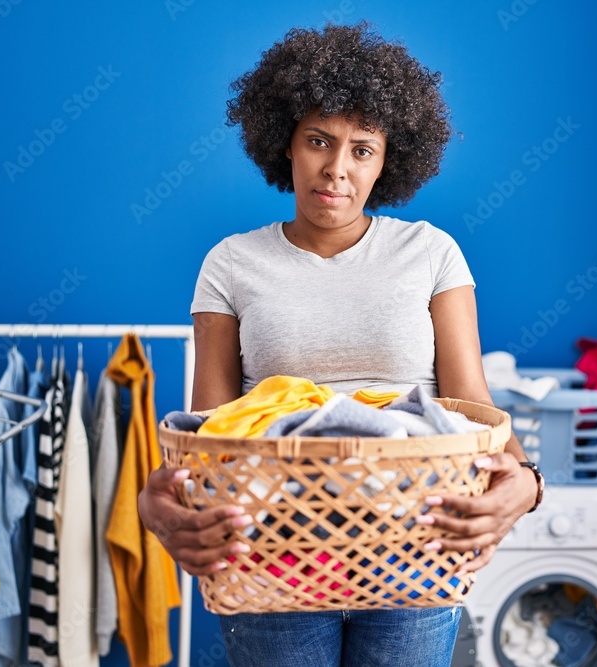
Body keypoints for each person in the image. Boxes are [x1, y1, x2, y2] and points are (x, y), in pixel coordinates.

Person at [137, 21, 541, 667]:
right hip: (270, 549)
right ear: (285, 145)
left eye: (362, 149)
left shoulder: (431, 252)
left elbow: (469, 400)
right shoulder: (231, 262)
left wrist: (528, 481)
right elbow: (214, 428)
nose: (336, 169)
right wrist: (156, 502)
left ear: (391, 159)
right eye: (318, 141)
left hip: (416, 544)